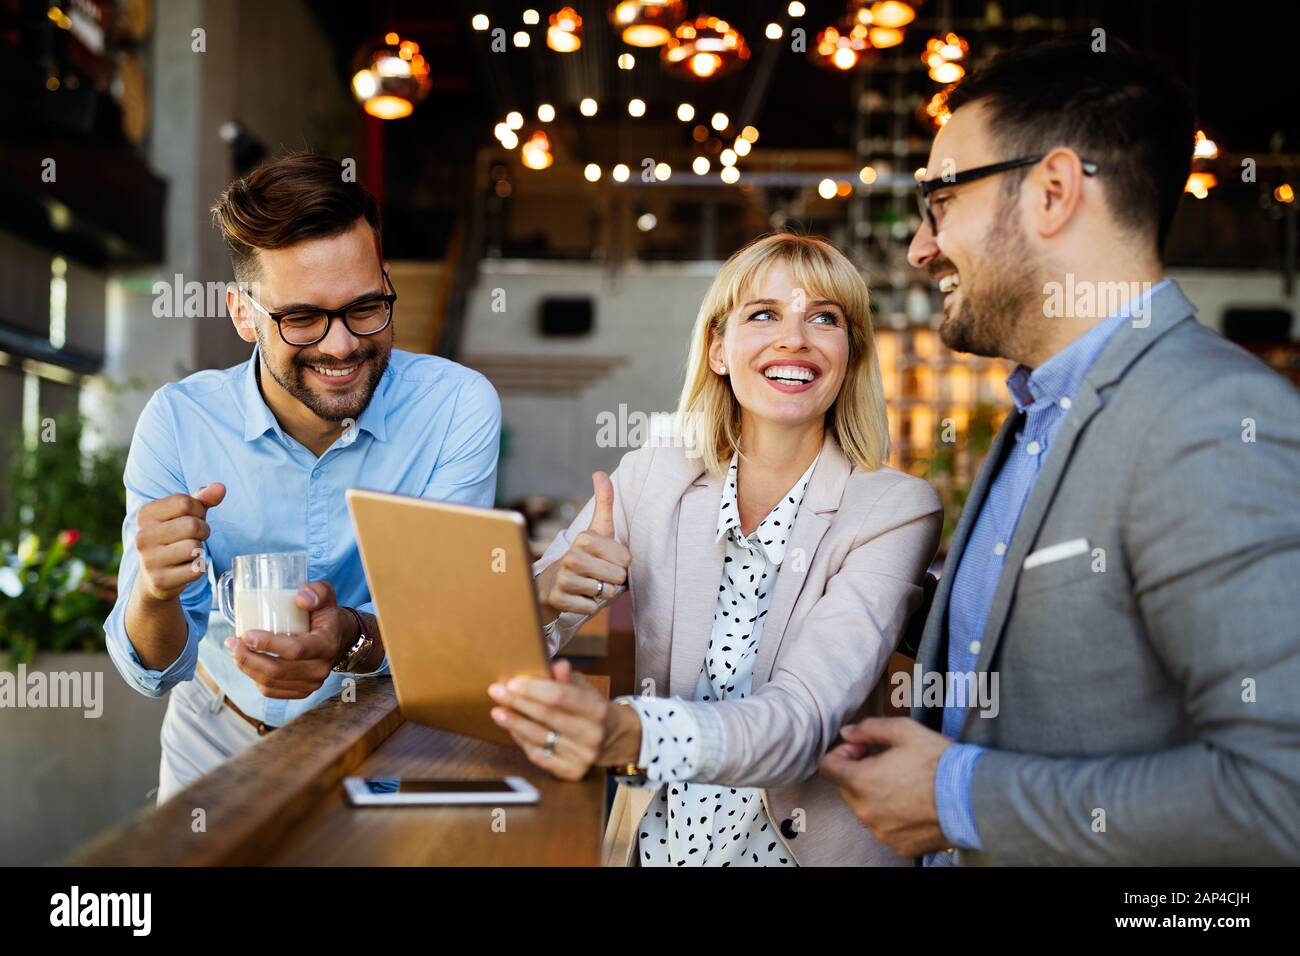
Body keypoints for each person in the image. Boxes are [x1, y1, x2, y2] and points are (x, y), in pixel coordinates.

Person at [818, 36, 1300, 865]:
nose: (919, 247)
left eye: (939, 199)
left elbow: (1276, 797)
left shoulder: (1213, 418)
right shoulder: (1038, 408)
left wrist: (958, 797)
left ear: (1052, 192)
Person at [486, 232, 942, 866]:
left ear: (849, 356)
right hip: (656, 844)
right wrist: (546, 591)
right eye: (763, 315)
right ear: (718, 350)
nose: (794, 339)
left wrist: (629, 731)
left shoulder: (894, 509)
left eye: (823, 319)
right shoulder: (651, 475)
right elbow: (496, 649)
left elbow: (802, 722)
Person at [104, 152, 501, 803]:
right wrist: (152, 590)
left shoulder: (455, 407)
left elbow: (441, 625)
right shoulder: (179, 422)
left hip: (381, 738)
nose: (341, 345)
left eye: (365, 307)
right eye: (303, 318)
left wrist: (350, 633)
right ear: (242, 314)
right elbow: (154, 669)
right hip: (214, 743)